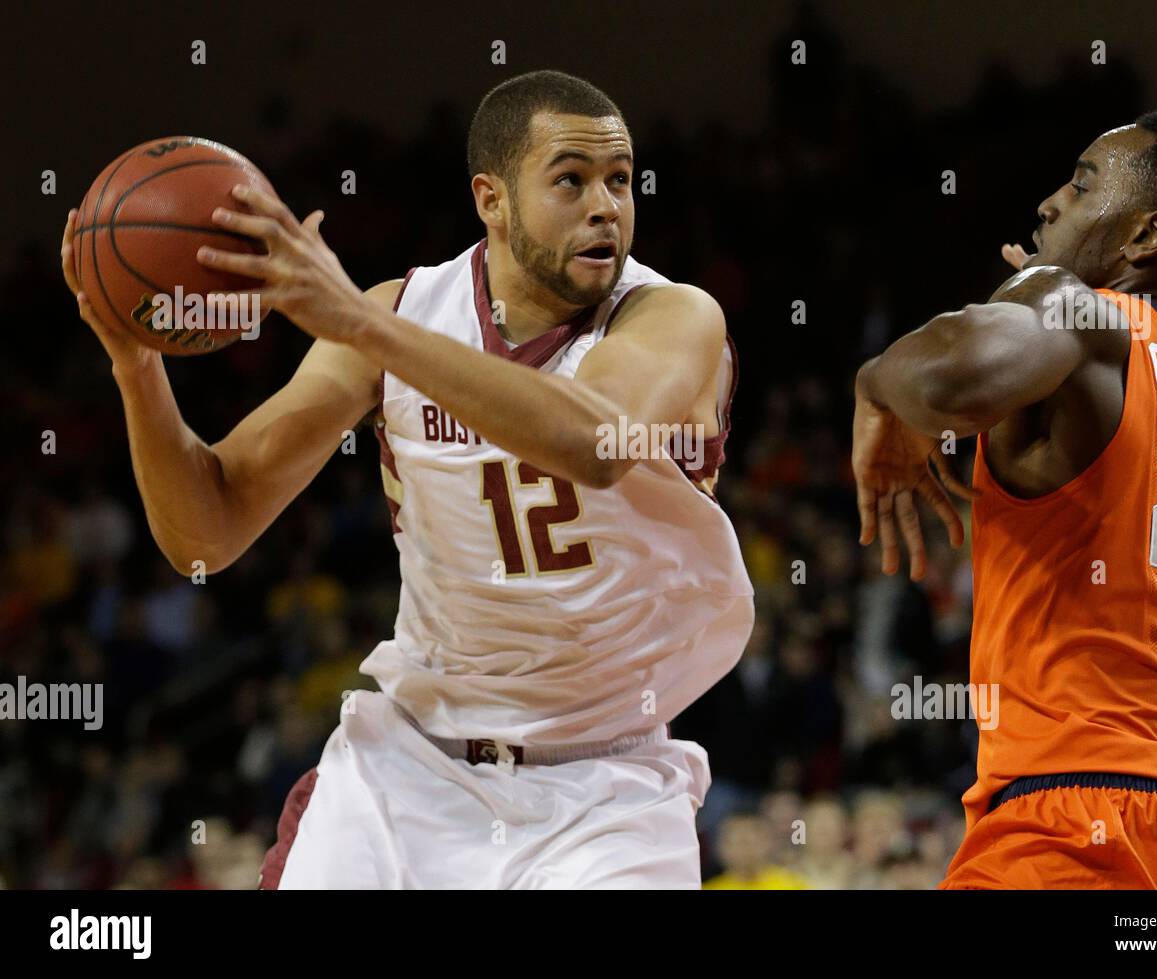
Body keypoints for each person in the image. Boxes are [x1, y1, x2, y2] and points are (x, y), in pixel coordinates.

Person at [61, 69, 754, 889]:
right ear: (490, 200)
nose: (607, 205)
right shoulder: (404, 315)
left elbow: (593, 441)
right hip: (410, 767)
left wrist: (358, 319)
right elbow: (206, 532)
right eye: (570, 180)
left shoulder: (676, 317)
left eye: (619, 180)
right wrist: (137, 368)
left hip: (604, 785)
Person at [851, 108, 1157, 888]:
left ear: (1146, 237)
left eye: (1083, 183)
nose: (1052, 202)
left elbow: (948, 383)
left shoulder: (1078, 316)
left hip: (1069, 828)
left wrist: (874, 382)